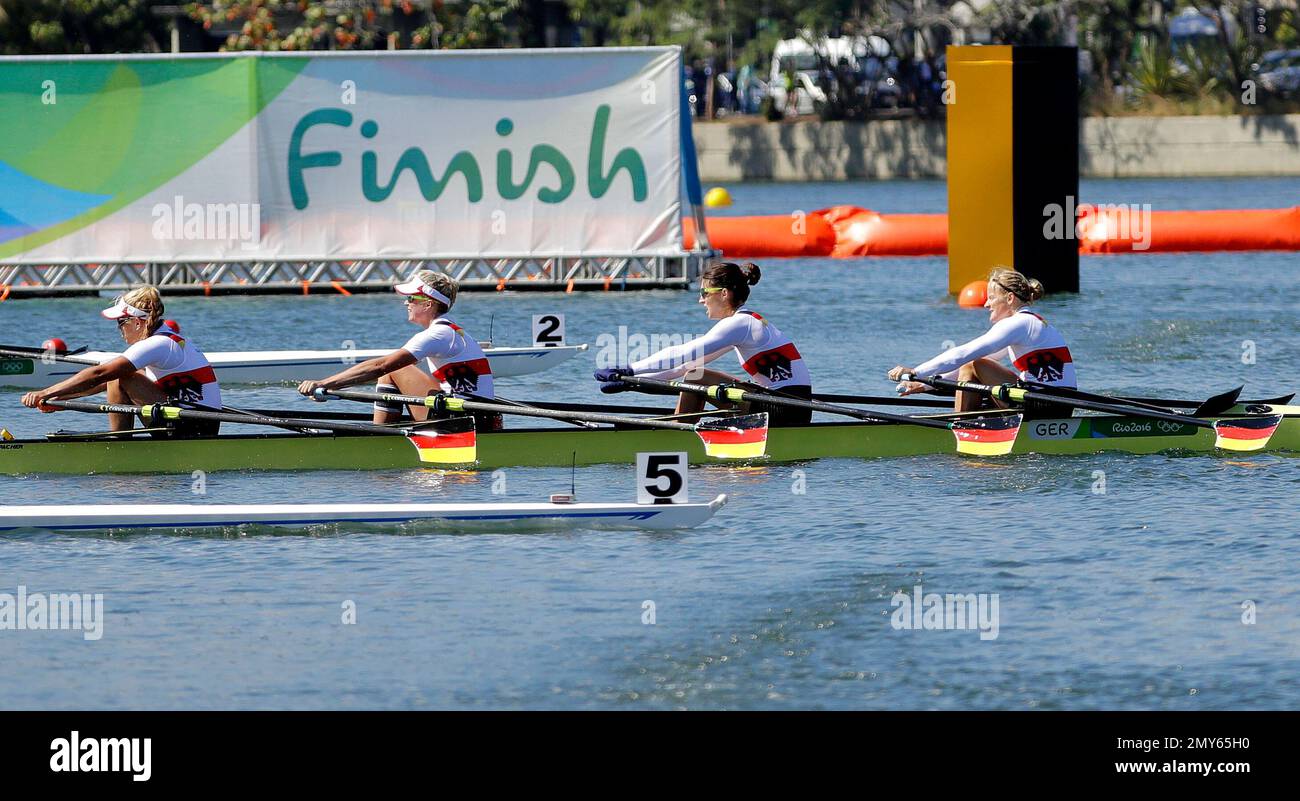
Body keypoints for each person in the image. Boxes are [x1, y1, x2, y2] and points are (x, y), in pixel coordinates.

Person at [594, 261, 814, 425]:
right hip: (784, 404)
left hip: (787, 410)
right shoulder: (744, 325)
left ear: (724, 294)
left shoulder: (741, 324)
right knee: (695, 374)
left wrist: (630, 369)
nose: (700, 299)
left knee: (696, 377)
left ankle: (677, 434)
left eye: (704, 292)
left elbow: (683, 353)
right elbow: (681, 368)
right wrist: (632, 382)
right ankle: (679, 426)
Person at [297, 270, 501, 430]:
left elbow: (381, 366)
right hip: (476, 416)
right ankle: (387, 431)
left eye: (412, 298)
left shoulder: (438, 334)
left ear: (429, 304)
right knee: (392, 371)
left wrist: (325, 383)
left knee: (392, 370)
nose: (406, 303)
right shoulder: (451, 331)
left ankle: (380, 438)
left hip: (461, 420)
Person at [20, 286, 222, 436]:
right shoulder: (166, 339)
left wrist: (44, 392)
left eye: (121, 322)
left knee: (119, 376)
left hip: (193, 427)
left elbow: (100, 373)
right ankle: (121, 441)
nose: (119, 329)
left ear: (137, 321)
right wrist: (61, 401)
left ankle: (119, 444)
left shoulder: (158, 344)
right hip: (195, 422)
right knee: (119, 376)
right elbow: (104, 383)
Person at [888, 267, 1077, 413]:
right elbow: (973, 362)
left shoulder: (1017, 324)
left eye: (992, 298)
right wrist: (924, 385)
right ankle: (970, 419)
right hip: (1060, 403)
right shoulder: (1032, 323)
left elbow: (963, 355)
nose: (986, 304)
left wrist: (916, 371)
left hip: (1045, 404)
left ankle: (960, 426)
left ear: (1010, 298)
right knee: (974, 365)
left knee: (974, 364)